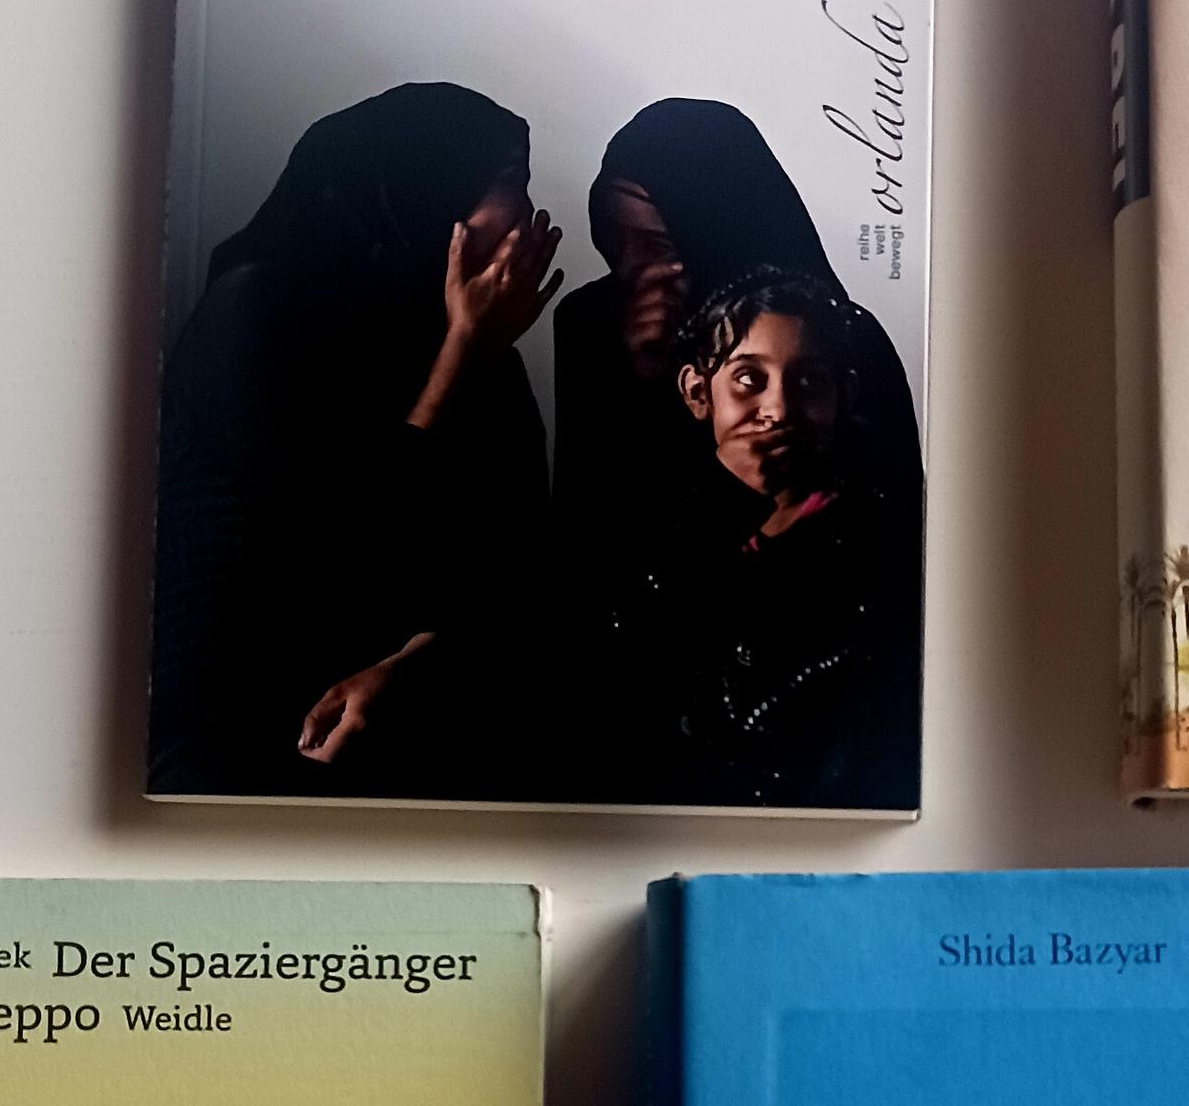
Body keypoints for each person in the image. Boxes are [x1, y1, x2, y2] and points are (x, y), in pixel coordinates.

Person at [149, 83, 560, 797]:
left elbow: (516, 581)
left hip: (414, 733)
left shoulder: (491, 361)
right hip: (240, 743)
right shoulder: (255, 316)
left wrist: (416, 663)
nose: (528, 216)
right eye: (512, 184)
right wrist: (459, 358)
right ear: (428, 189)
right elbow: (328, 562)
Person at [545, 98, 922, 798]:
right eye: (615, 243)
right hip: (640, 698)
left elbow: (891, 556)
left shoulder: (844, 339)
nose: (635, 272)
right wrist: (641, 383)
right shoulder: (594, 323)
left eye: (657, 245)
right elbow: (587, 554)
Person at [607, 270, 921, 806]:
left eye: (809, 382)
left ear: (844, 397)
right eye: (749, 379)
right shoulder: (653, 532)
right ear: (697, 392)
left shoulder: (882, 541)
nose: (779, 410)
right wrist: (721, 502)